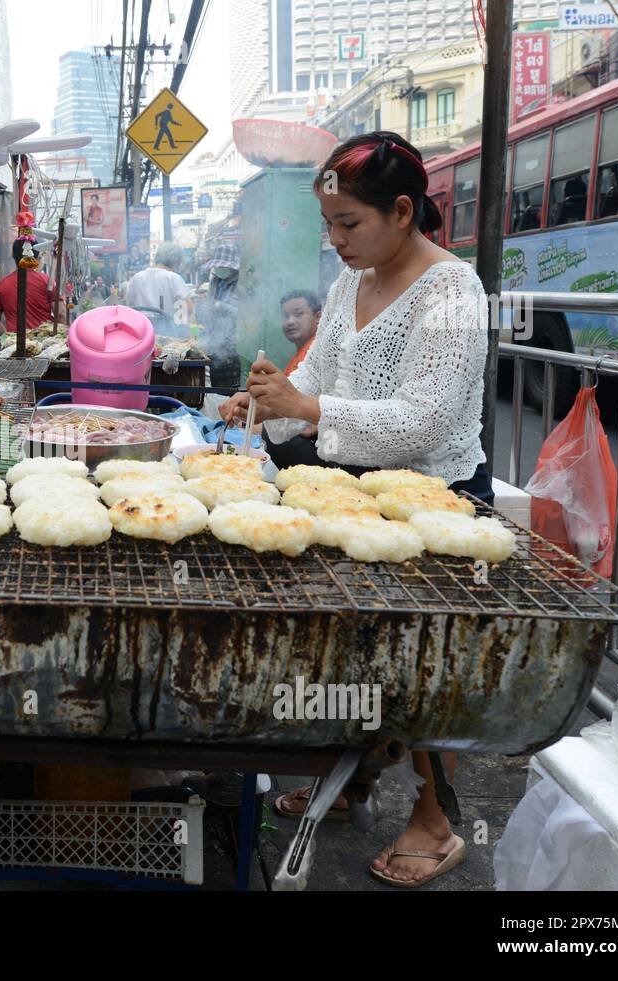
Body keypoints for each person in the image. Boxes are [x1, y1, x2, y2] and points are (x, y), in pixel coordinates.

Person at [221, 132, 490, 887]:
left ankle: (435, 819)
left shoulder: (452, 291)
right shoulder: (351, 283)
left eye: (349, 224)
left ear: (403, 211)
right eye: (328, 227)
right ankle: (357, 781)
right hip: (352, 490)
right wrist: (267, 403)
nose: (335, 241)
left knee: (418, 659)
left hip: (431, 500)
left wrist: (305, 406)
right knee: (356, 646)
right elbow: (321, 379)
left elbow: (427, 417)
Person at [0, 243, 65, 337]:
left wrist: (6, 340)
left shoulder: (1, 285)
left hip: (15, 345)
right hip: (44, 341)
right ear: (37, 256)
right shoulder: (47, 281)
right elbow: (61, 314)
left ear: (13, 255)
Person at [123, 242, 191, 335]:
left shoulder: (137, 277)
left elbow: (129, 303)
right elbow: (187, 308)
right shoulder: (173, 278)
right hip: (167, 333)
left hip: (142, 332)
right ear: (176, 262)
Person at [200, 243, 242, 388]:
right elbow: (210, 304)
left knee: (230, 388)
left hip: (232, 344)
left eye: (223, 267)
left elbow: (242, 314)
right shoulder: (215, 280)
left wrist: (220, 306)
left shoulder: (241, 284)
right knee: (215, 387)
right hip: (213, 342)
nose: (220, 270)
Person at [280, 289, 321, 377]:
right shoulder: (303, 352)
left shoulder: (319, 353)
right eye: (285, 316)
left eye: (298, 314)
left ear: (318, 317)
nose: (290, 322)